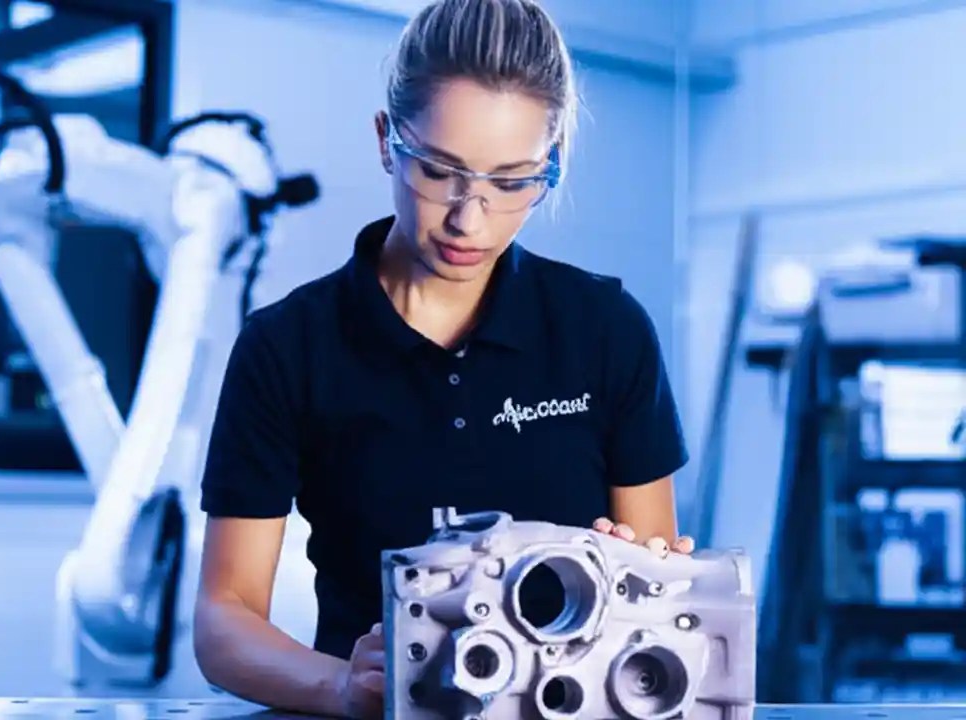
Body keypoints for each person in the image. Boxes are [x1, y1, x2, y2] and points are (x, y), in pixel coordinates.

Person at [192, 0, 693, 717]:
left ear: (551, 164)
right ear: (386, 141)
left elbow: (659, 598)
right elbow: (224, 617)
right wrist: (339, 685)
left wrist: (637, 574)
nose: (470, 216)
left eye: (512, 180)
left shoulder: (605, 330)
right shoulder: (288, 346)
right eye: (439, 170)